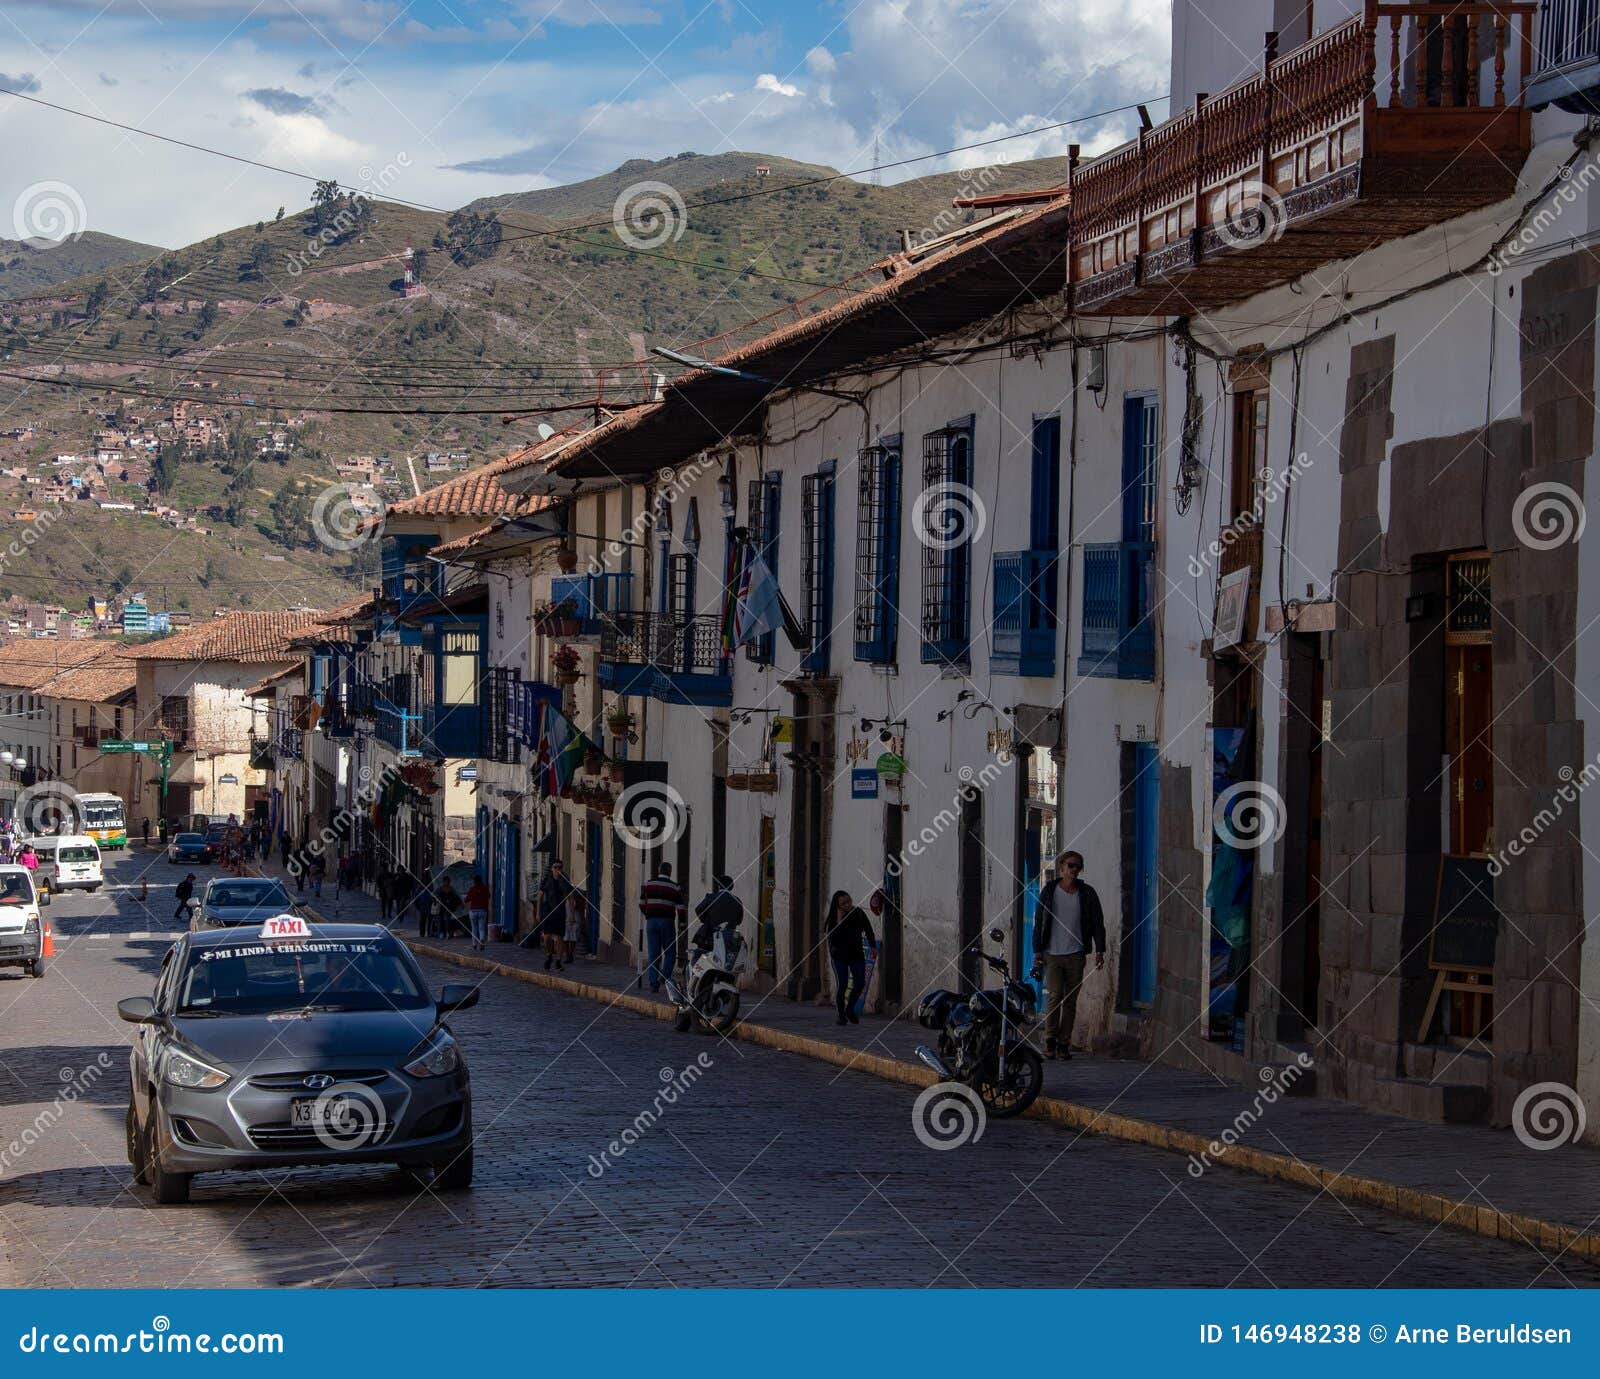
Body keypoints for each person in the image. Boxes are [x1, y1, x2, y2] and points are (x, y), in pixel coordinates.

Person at [1029, 850, 1107, 1060]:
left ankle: (1065, 1043)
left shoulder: (1087, 893)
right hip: (1053, 954)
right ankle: (1050, 1041)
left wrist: (1100, 950)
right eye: (1071, 865)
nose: (1074, 870)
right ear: (1061, 867)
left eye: (1078, 866)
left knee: (1070, 1001)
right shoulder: (1049, 891)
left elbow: (1098, 923)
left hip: (1076, 953)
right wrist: (1037, 950)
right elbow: (1040, 921)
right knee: (1054, 997)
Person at [823, 890, 876, 1026]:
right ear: (838, 906)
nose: (847, 905)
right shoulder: (833, 919)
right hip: (839, 956)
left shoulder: (858, 913)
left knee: (860, 982)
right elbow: (833, 938)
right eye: (843, 903)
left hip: (856, 954)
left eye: (849, 901)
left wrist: (872, 947)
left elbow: (868, 929)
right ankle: (841, 1016)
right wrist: (840, 920)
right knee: (843, 984)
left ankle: (850, 1008)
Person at [639, 862, 685, 993]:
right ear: (670, 872)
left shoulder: (649, 884)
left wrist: (648, 914)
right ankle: (663, 978)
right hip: (667, 922)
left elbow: (642, 903)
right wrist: (682, 923)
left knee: (654, 954)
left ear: (658, 870)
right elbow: (680, 907)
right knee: (670, 953)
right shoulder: (674, 887)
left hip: (652, 922)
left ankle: (654, 984)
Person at [536, 861, 574, 970]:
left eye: (560, 867)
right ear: (552, 868)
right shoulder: (547, 879)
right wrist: (538, 912)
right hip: (548, 910)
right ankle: (549, 956)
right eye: (555, 867)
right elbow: (540, 896)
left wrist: (571, 914)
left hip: (560, 911)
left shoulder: (565, 880)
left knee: (559, 937)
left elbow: (570, 897)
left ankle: (558, 961)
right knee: (546, 936)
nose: (558, 869)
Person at [692, 874, 743, 951]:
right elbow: (739, 920)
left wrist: (706, 920)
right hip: (730, 937)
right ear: (731, 887)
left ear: (719, 886)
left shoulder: (711, 897)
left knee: (701, 953)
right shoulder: (737, 900)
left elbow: (698, 909)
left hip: (711, 935)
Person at [465, 873, 491, 952]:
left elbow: (466, 900)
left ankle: (474, 944)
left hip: (473, 911)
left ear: (474, 881)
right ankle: (482, 939)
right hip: (483, 911)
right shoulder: (485, 889)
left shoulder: (472, 889)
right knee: (481, 928)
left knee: (474, 929)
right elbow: (489, 896)